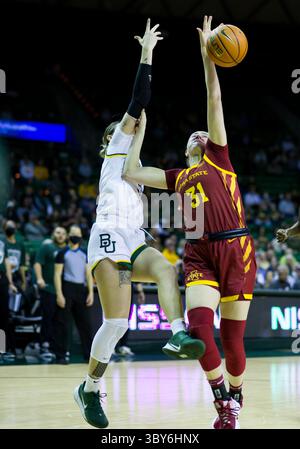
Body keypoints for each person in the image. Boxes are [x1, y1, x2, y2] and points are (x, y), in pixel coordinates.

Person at [123, 16, 257, 429]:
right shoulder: (177, 177)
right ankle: (223, 404)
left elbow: (213, 101)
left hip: (236, 248)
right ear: (186, 151)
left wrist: (208, 59)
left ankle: (235, 392)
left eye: (205, 133)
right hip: (199, 252)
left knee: (233, 340)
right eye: (194, 135)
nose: (202, 134)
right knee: (199, 328)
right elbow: (130, 171)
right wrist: (139, 130)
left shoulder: (220, 157)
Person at [73, 18, 205, 430]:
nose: (128, 126)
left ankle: (178, 333)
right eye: (124, 126)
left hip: (133, 239)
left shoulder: (133, 168)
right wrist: (147, 53)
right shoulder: (115, 150)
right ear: (110, 139)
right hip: (108, 235)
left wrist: (143, 136)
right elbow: (139, 99)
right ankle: (90, 387)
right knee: (116, 322)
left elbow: (140, 150)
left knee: (166, 268)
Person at [53, 225, 94, 363]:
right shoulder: (62, 253)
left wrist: (91, 293)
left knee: (86, 324)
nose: (75, 235)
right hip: (67, 288)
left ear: (81, 237)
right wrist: (59, 294)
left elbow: (88, 274)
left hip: (81, 290)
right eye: (73, 233)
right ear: (69, 235)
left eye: (78, 234)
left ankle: (88, 355)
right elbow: (57, 274)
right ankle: (61, 355)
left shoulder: (84, 253)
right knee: (63, 323)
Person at [34, 226, 67, 357]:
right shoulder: (47, 247)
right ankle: (44, 346)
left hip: (63, 291)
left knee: (59, 320)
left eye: (63, 233)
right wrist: (39, 278)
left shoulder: (66, 250)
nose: (60, 235)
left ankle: (56, 346)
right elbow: (37, 263)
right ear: (53, 233)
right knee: (47, 317)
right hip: (48, 288)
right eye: (58, 232)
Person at [0, 238, 17, 361]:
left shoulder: (2, 242)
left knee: (3, 317)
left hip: (2, 281)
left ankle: (1, 349)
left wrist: (10, 282)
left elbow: (6, 261)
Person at [3, 220, 27, 292]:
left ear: (15, 228)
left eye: (12, 226)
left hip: (16, 276)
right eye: (8, 226)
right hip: (4, 275)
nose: (10, 228)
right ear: (4, 229)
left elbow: (22, 265)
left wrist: (24, 281)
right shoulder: (2, 242)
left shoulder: (20, 244)